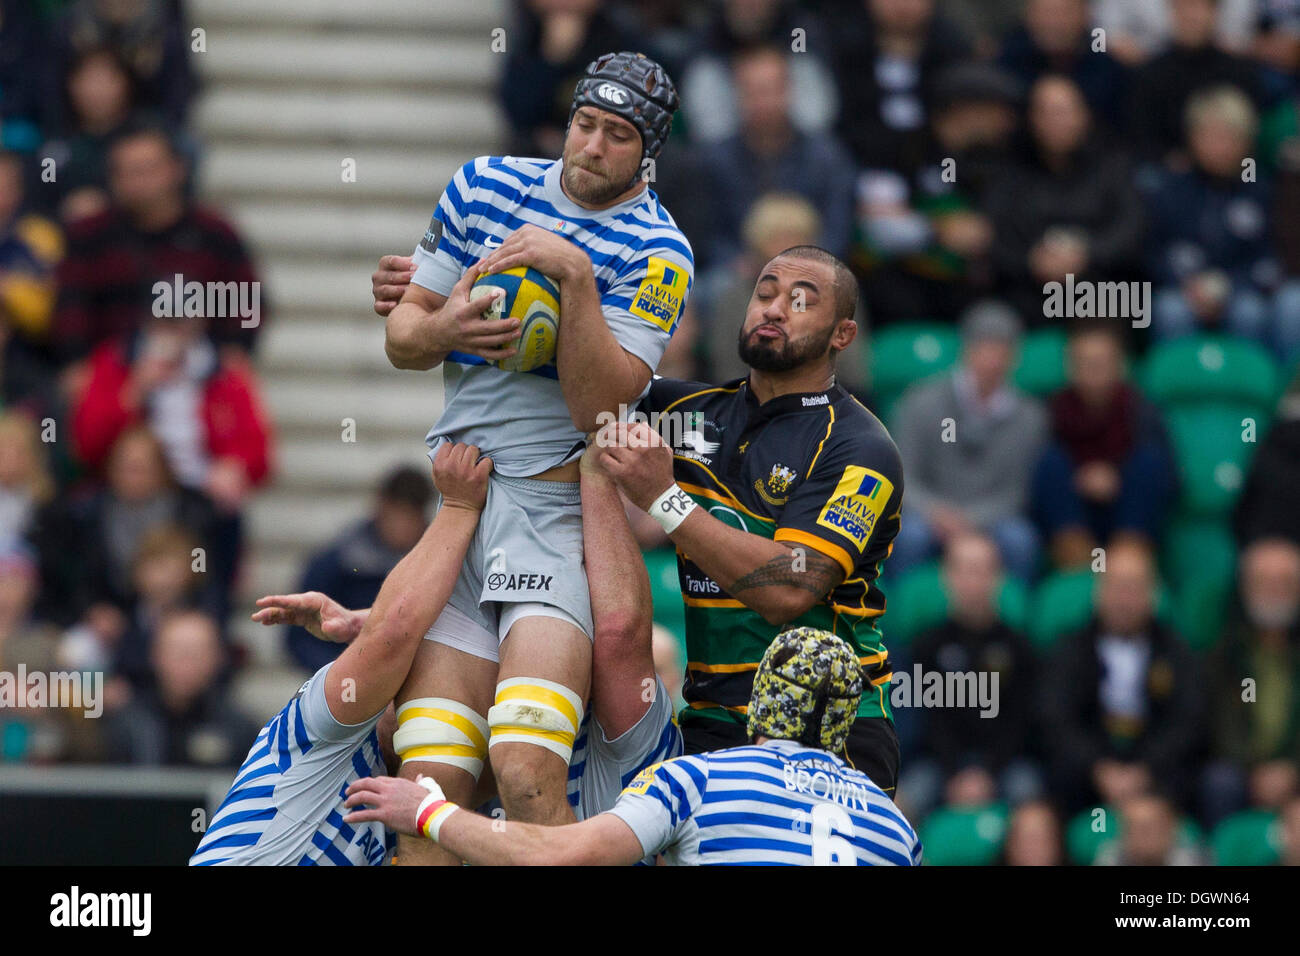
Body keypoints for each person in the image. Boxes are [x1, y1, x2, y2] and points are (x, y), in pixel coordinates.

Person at [376, 243, 905, 794]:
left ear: (843, 334)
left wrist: (663, 498)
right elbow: (572, 378)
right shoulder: (682, 413)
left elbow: (789, 589)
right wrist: (426, 304)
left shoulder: (859, 446)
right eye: (764, 293)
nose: (772, 308)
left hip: (834, 726)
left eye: (800, 300)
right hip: (711, 726)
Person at [378, 51, 692, 865]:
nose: (590, 146)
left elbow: (603, 411)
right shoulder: (483, 182)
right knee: (428, 784)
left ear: (647, 151)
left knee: (523, 771)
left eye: (616, 136)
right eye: (584, 124)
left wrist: (574, 278)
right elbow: (404, 338)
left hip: (550, 516)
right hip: (462, 506)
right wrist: (447, 328)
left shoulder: (660, 250)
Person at [344, 628, 922, 866]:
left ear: (761, 704)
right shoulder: (897, 828)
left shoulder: (701, 779)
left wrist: (427, 813)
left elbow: (562, 856)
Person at [189, 443, 491, 865]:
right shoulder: (312, 733)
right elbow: (395, 634)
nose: (433, 700)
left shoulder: (403, 784)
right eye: (421, 684)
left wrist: (356, 621)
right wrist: (458, 507)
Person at [1040, 539, 1206, 813]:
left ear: (1153, 594)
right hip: (1087, 773)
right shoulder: (1070, 648)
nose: (1124, 602)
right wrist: (1098, 767)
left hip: (1157, 771)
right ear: (1099, 592)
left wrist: (1145, 770)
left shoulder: (1177, 651)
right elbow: (1054, 716)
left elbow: (1188, 719)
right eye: (1117, 588)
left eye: (1134, 589)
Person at [890, 301, 1046, 581]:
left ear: (1015, 356)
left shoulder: (1029, 416)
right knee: (909, 537)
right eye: (985, 347)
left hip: (993, 518)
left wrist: (970, 521)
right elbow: (902, 477)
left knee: (1020, 541)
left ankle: (1011, 619)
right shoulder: (920, 402)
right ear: (966, 349)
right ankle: (900, 618)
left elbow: (1018, 490)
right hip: (928, 514)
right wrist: (937, 513)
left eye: (1002, 350)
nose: (993, 359)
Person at [1031, 321, 1176, 570]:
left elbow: (1173, 479)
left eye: (1101, 363)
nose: (1093, 371)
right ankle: (1078, 562)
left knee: (1149, 462)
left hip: (1126, 511)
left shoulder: (1143, 410)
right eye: (1085, 363)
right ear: (1070, 366)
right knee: (1050, 462)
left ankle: (1127, 559)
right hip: (1072, 513)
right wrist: (1081, 479)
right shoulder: (1052, 410)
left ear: (1120, 365)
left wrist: (1116, 477)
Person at [285, 465, 434, 673]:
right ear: (381, 507)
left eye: (411, 516)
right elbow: (299, 639)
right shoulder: (338, 563)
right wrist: (341, 673)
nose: (403, 526)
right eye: (398, 514)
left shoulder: (436, 569)